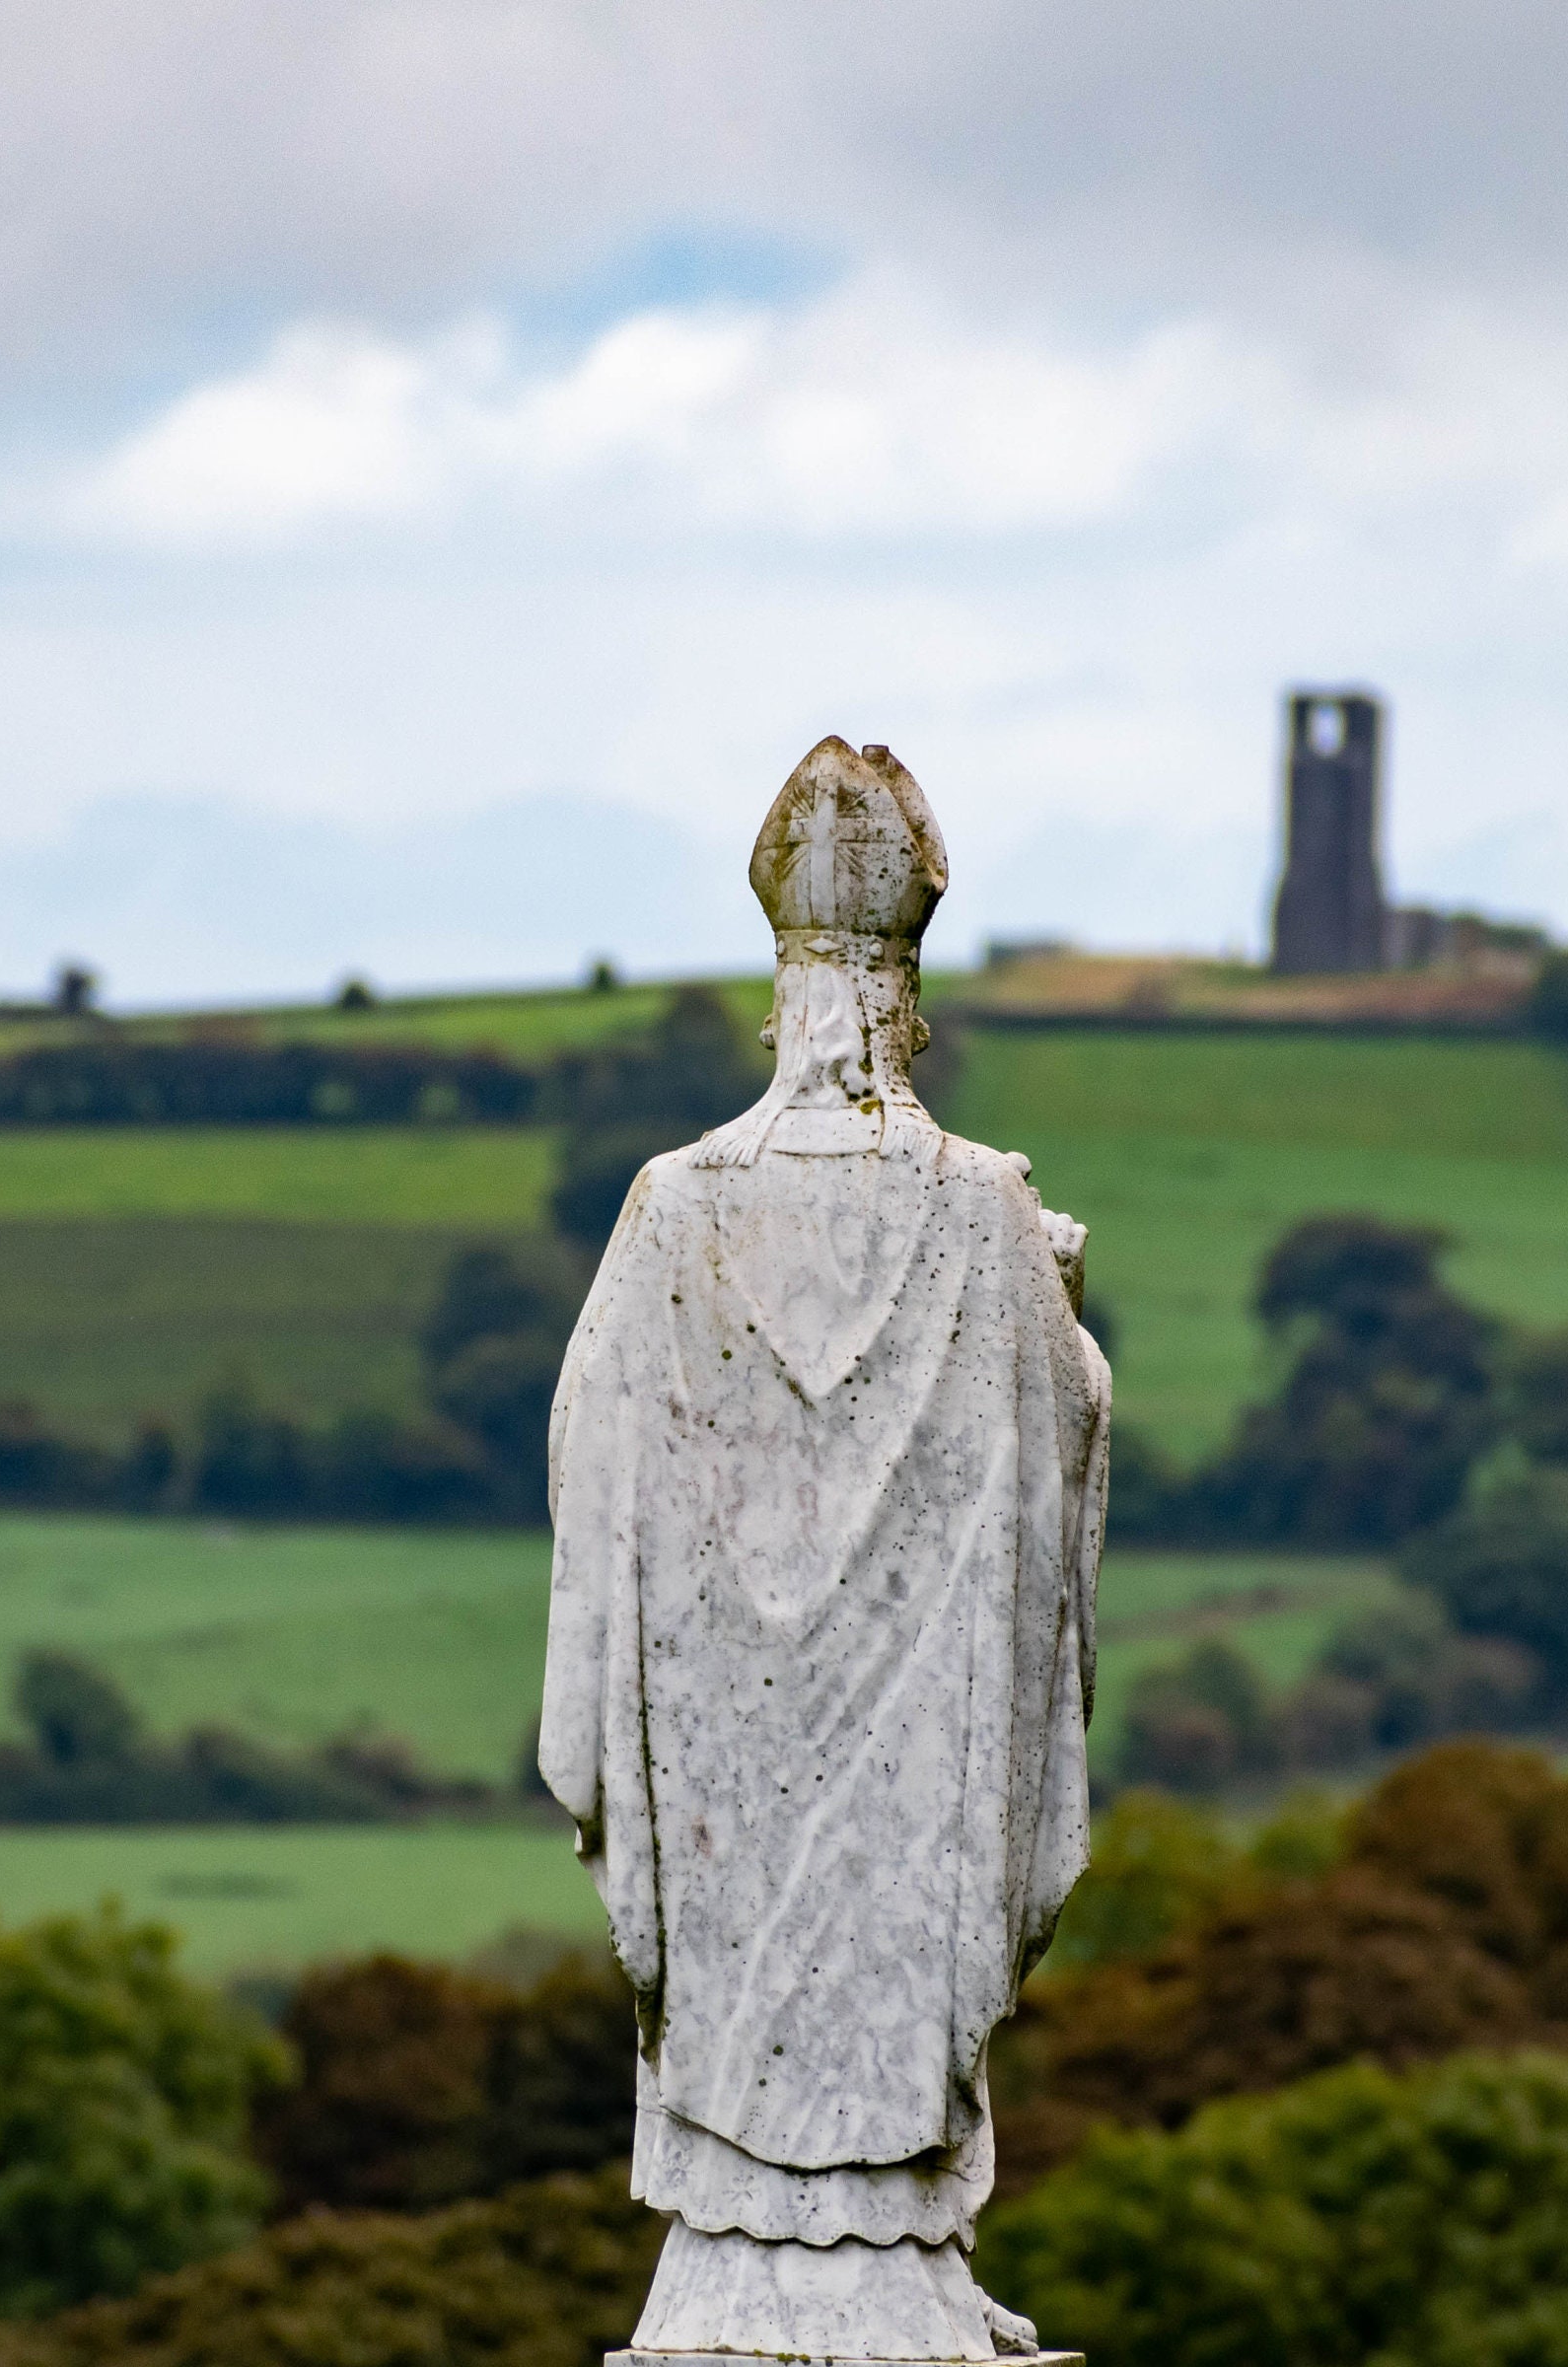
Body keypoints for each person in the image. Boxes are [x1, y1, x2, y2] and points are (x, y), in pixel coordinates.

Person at [541, 738, 1109, 2362]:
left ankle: (810, 2256)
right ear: (909, 993)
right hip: (912, 1766)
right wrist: (1063, 1319)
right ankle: (880, 2262)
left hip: (722, 1749)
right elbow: (1059, 1445)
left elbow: (590, 1461)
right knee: (900, 1907)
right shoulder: (986, 1212)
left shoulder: (672, 1204)